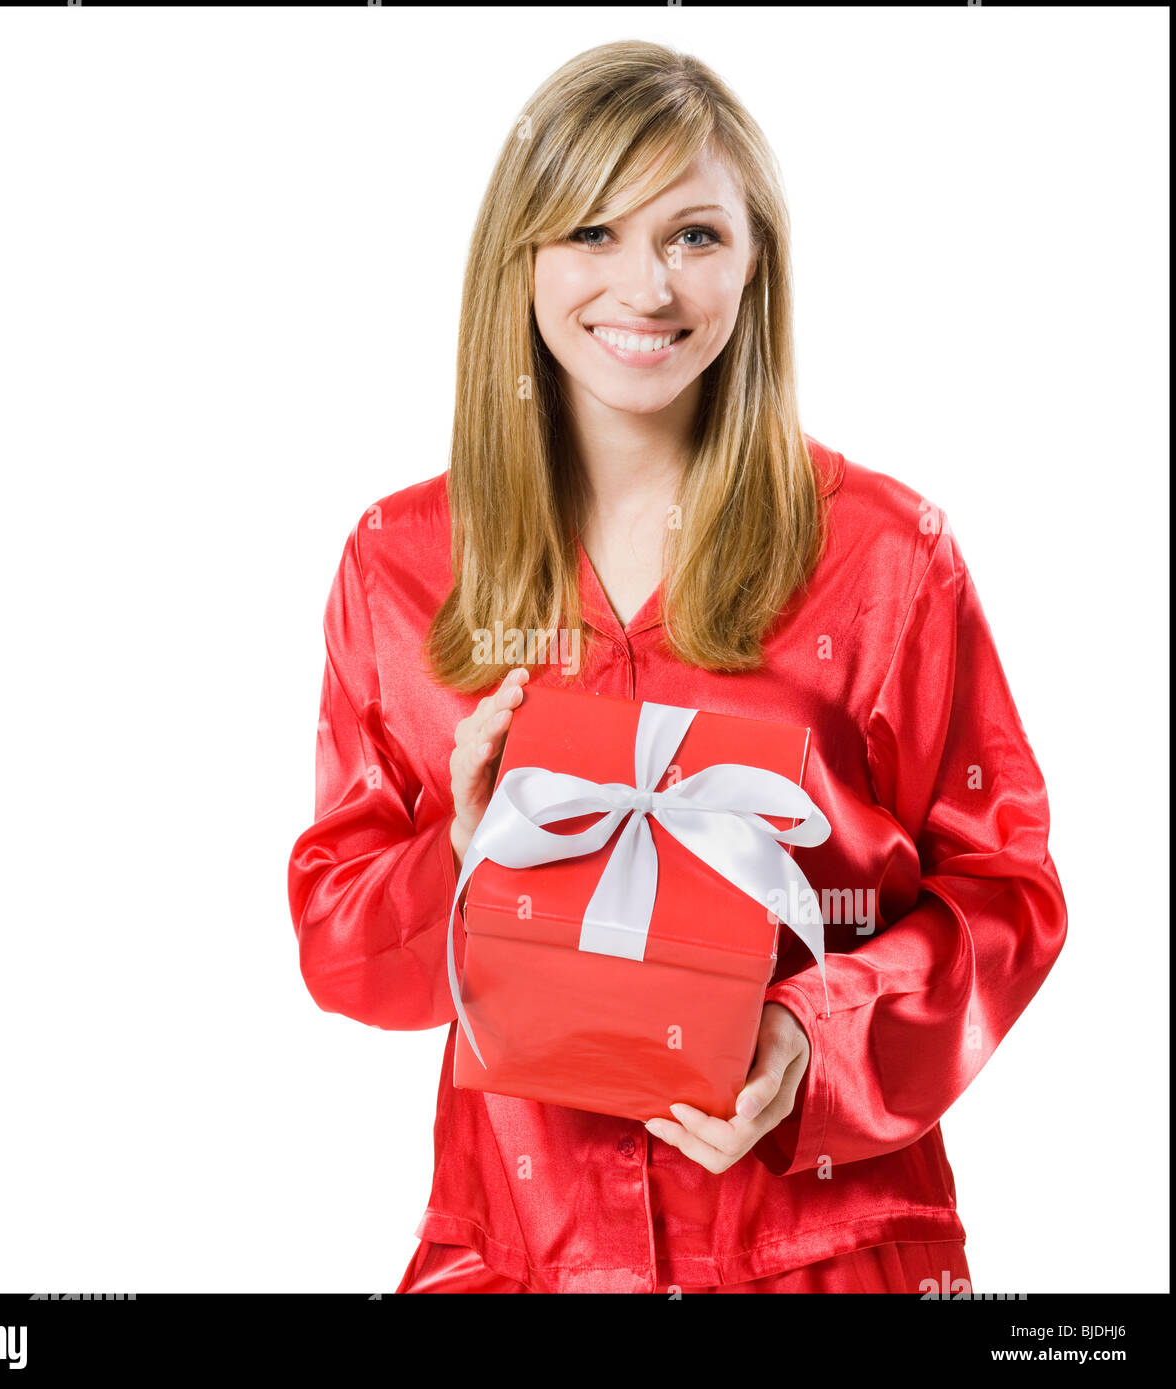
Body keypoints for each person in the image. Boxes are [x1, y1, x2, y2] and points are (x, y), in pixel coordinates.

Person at [286, 40, 1068, 1294]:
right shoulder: (402, 563)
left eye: (694, 234)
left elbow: (1007, 894)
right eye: (589, 230)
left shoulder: (884, 555)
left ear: (755, 262)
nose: (643, 285)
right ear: (520, 260)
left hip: (826, 1249)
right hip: (520, 1250)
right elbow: (338, 940)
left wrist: (814, 1039)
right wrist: (465, 851)